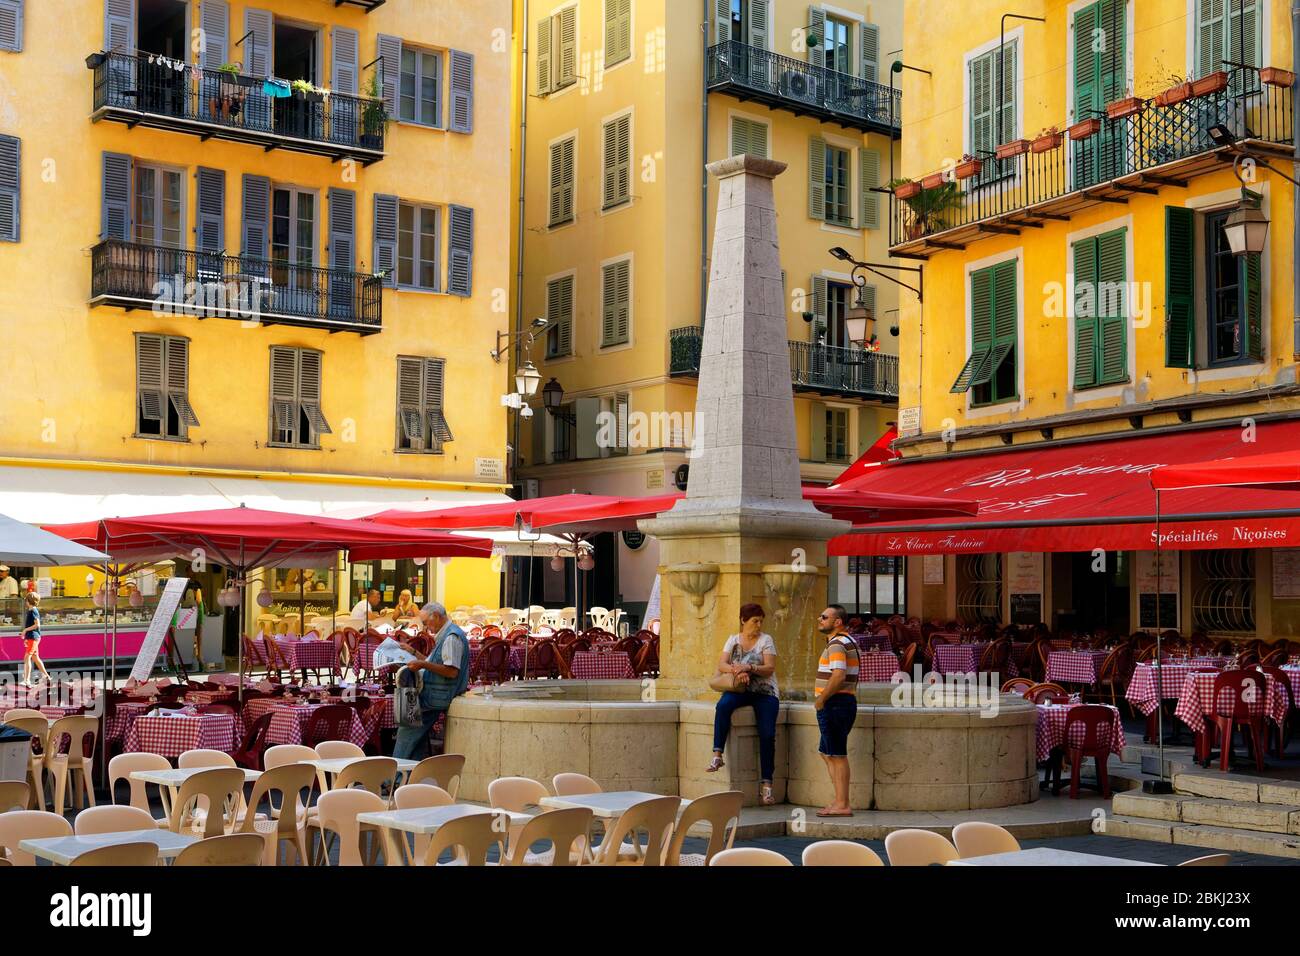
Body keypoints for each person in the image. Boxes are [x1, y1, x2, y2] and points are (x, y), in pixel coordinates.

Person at [707, 603, 779, 804]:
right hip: (740, 689)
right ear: (743, 621)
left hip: (765, 692)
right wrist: (737, 670)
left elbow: (770, 668)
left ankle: (767, 785)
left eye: (761, 621)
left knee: (767, 734)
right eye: (755, 621)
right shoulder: (733, 640)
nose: (758, 625)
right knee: (722, 706)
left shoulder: (766, 640)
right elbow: (721, 664)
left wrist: (749, 666)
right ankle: (717, 754)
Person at [392, 601, 470, 760]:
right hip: (431, 692)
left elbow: (451, 671)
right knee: (414, 737)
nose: (426, 627)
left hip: (434, 696)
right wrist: (413, 652)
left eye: (426, 622)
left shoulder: (451, 637)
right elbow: (434, 663)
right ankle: (410, 776)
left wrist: (422, 664)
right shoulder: (447, 634)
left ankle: (394, 778)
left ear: (436, 616)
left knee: (405, 733)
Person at [813, 604, 858, 818]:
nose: (819, 619)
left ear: (837, 621)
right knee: (827, 752)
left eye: (824, 617)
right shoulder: (846, 641)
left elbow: (839, 675)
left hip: (835, 703)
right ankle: (839, 799)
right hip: (840, 703)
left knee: (837, 755)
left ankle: (842, 804)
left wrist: (821, 699)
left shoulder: (837, 644)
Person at [20, 592, 50, 686]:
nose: (25, 602)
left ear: (29, 601)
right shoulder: (32, 610)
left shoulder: (33, 611)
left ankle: (27, 680)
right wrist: (25, 633)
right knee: (35, 657)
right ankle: (46, 677)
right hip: (32, 637)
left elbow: (37, 625)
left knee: (27, 657)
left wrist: (25, 630)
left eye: (26, 601)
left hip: (33, 637)